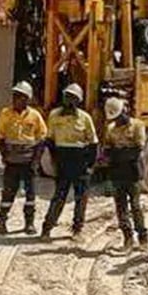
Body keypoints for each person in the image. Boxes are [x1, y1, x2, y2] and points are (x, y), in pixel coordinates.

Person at [0, 82, 47, 236]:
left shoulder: (35, 116)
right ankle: (0, 223)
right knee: (8, 193)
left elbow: (41, 139)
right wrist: (4, 156)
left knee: (30, 194)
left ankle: (29, 224)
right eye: (15, 96)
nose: (16, 99)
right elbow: (0, 137)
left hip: (28, 162)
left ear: (27, 99)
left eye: (20, 96)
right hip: (12, 162)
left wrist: (36, 161)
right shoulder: (5, 113)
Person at [41, 84, 99, 240]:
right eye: (67, 96)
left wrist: (90, 166)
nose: (69, 101)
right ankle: (47, 228)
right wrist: (54, 161)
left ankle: (77, 229)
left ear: (78, 101)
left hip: (80, 160)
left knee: (81, 198)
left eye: (73, 98)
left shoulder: (84, 118)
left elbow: (93, 143)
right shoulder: (54, 116)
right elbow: (50, 141)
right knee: (59, 196)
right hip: (63, 160)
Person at [101, 97, 148, 250]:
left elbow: (138, 150)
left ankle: (143, 239)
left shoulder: (138, 126)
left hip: (133, 172)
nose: (118, 120)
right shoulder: (111, 129)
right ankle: (128, 239)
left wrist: (116, 153)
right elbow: (107, 150)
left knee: (135, 206)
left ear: (125, 111)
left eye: (119, 116)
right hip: (117, 173)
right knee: (121, 208)